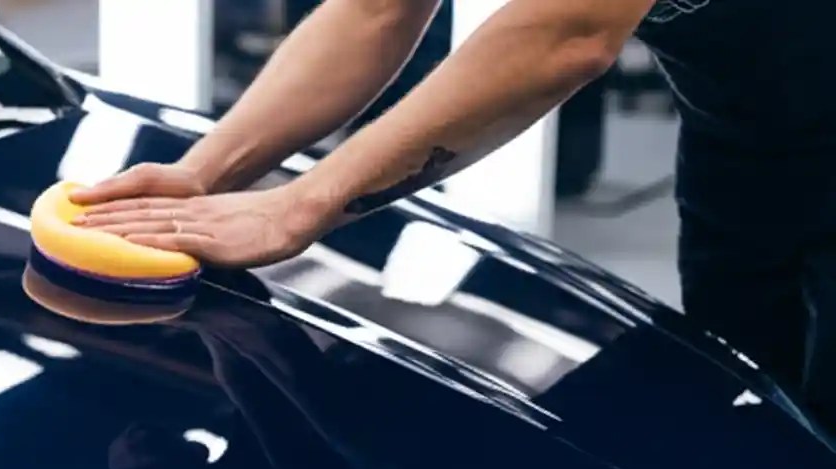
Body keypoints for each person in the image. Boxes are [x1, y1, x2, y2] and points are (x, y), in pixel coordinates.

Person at [69, 0, 836, 428]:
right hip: (747, 131)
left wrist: (300, 206)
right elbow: (375, 11)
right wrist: (204, 171)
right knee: (750, 416)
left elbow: (566, 34)